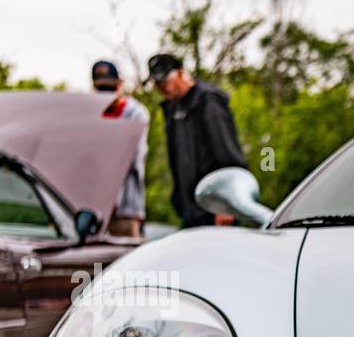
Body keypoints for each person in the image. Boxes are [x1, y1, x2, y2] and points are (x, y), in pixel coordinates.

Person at [147, 53, 248, 228]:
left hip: (216, 210)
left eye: (165, 82)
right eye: (157, 84)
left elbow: (228, 156)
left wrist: (226, 206)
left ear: (180, 73)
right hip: (191, 210)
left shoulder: (209, 103)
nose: (161, 88)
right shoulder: (173, 108)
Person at [92, 60, 150, 238]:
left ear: (120, 84)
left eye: (110, 88)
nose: (106, 94)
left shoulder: (135, 114)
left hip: (125, 209)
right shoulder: (91, 114)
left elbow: (133, 158)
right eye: (101, 89)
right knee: (92, 264)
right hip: (93, 209)